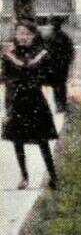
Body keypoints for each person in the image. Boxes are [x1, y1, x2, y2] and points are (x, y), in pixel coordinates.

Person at [2, 20, 59, 189]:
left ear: (33, 36)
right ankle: (24, 176)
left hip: (35, 101)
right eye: (20, 33)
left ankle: (53, 175)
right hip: (17, 101)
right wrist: (7, 108)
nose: (23, 37)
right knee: (17, 140)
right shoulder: (9, 55)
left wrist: (30, 73)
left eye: (27, 33)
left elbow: (44, 75)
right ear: (16, 35)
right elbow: (7, 79)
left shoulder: (40, 54)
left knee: (42, 140)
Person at [41, 16, 73, 114]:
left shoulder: (63, 37)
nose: (54, 25)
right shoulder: (49, 37)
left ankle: (60, 106)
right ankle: (59, 106)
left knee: (59, 87)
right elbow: (43, 51)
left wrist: (66, 63)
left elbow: (70, 53)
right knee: (58, 87)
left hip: (59, 66)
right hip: (53, 66)